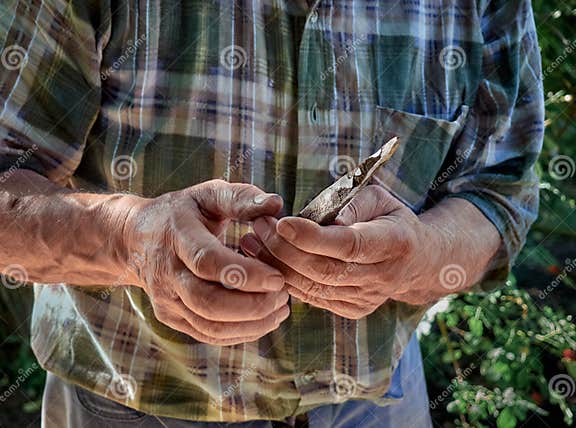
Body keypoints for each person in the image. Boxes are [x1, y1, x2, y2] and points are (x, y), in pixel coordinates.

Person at [0, 0, 544, 427]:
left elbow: (499, 195)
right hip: (132, 404)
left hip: (378, 402)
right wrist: (132, 242)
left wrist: (423, 255)